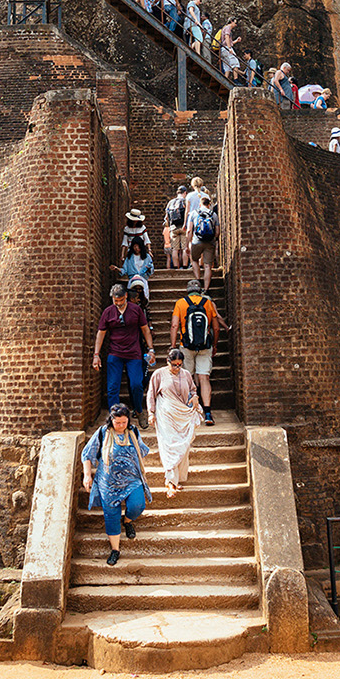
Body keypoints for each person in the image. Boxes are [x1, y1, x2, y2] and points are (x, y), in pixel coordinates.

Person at [81, 404, 151, 564]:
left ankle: (127, 521)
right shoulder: (103, 433)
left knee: (137, 505)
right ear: (111, 420)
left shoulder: (133, 432)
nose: (121, 426)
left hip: (132, 480)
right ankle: (115, 550)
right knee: (111, 516)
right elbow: (87, 453)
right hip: (108, 484)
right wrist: (87, 475)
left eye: (124, 422)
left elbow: (142, 450)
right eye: (117, 422)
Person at [93, 284, 155, 426]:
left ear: (126, 296)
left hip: (134, 353)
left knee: (136, 385)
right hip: (115, 353)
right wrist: (96, 354)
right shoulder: (108, 312)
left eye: (121, 300)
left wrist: (151, 349)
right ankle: (114, 418)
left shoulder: (136, 310)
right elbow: (101, 333)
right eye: (116, 301)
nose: (119, 303)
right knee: (112, 387)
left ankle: (139, 411)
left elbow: (145, 330)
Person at [147, 348, 201, 496]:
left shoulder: (186, 374)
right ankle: (170, 481)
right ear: (167, 362)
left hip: (182, 415)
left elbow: (193, 390)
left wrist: (194, 397)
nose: (177, 368)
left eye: (179, 365)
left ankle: (176, 480)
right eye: (174, 365)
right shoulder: (158, 374)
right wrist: (151, 413)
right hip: (165, 414)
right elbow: (151, 394)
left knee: (183, 446)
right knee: (169, 446)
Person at [171, 279, 219, 426]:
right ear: (199, 290)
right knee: (204, 378)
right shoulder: (208, 303)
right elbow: (216, 328)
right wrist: (215, 344)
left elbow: (174, 325)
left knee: (186, 377)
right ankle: (208, 413)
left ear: (187, 290)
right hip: (205, 346)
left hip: (186, 346)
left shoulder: (181, 303)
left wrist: (173, 346)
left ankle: (189, 409)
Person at [187, 192, 219, 292]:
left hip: (196, 241)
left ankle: (198, 281)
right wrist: (213, 240)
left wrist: (188, 244)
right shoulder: (213, 214)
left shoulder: (193, 213)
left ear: (200, 204)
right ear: (209, 205)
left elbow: (189, 230)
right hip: (210, 242)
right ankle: (206, 288)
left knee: (194, 259)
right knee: (207, 265)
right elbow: (217, 232)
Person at [164, 184, 189, 270]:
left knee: (175, 249)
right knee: (185, 248)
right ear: (185, 193)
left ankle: (176, 267)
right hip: (184, 227)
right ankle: (185, 266)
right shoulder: (185, 201)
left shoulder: (171, 202)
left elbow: (167, 217)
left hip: (173, 227)